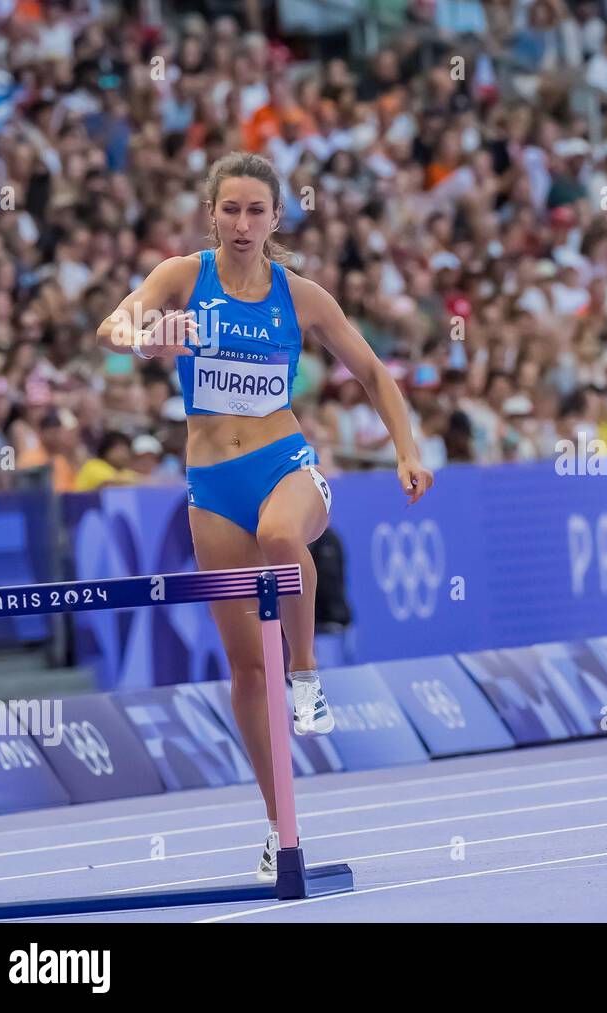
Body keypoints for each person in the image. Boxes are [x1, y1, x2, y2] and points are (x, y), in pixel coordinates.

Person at [95, 151, 434, 882]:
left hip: (285, 464)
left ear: (276, 218)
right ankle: (281, 827)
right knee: (248, 671)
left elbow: (372, 370)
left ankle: (308, 676)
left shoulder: (300, 294)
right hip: (212, 485)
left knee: (283, 536)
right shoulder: (183, 277)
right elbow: (113, 325)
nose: (243, 224)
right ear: (211, 214)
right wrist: (143, 336)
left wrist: (408, 450)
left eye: (257, 211)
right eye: (231, 210)